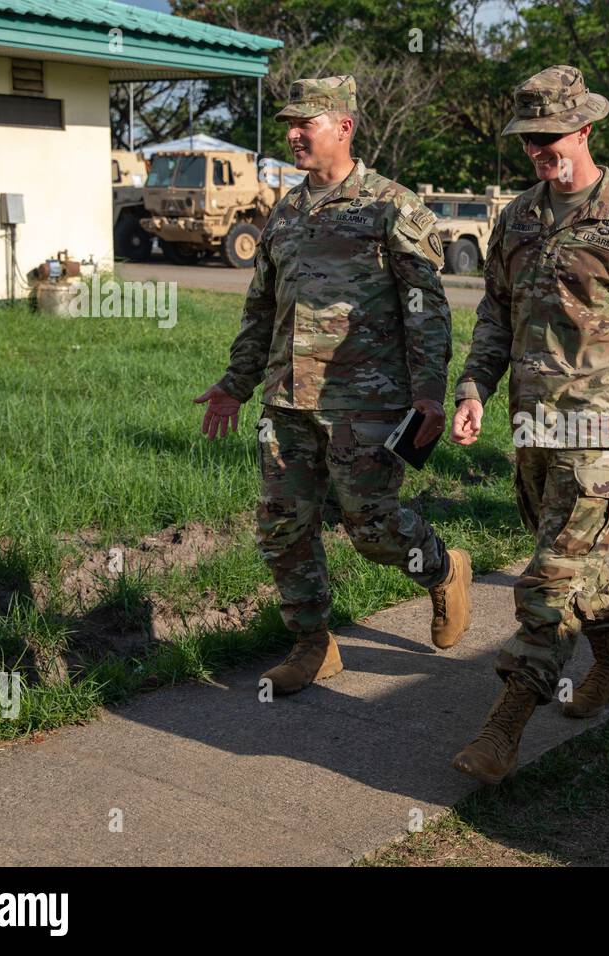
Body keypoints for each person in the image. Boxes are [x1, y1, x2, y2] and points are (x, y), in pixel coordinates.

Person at [194, 75, 472, 696]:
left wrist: (429, 392)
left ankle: (443, 569)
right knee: (281, 525)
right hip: (285, 402)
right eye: (289, 125)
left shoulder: (391, 206)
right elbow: (261, 309)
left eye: (306, 124)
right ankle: (313, 645)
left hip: (365, 403)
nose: (292, 135)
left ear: (343, 127)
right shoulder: (285, 212)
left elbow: (426, 307)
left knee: (372, 529)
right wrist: (236, 384)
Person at [449, 65, 609, 783]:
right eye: (529, 140)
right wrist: (473, 389)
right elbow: (496, 312)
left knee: (547, 580)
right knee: (574, 565)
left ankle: (504, 728)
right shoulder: (517, 218)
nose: (540, 151)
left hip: (601, 437)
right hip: (531, 431)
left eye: (552, 136)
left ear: (587, 129)